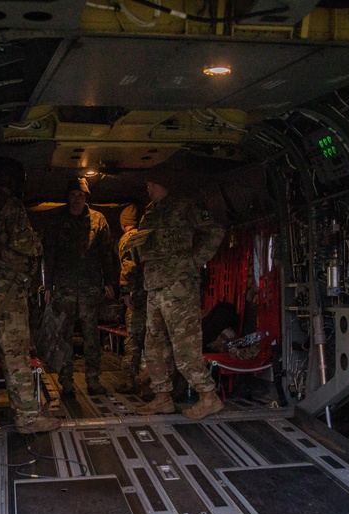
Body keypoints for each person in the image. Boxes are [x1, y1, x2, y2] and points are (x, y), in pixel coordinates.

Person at [0, 156, 59, 434]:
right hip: (5, 292)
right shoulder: (9, 206)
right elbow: (25, 244)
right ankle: (28, 417)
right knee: (14, 352)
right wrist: (37, 242)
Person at [135, 169, 225, 420]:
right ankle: (162, 397)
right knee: (153, 346)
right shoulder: (150, 212)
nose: (149, 188)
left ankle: (208, 395)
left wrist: (192, 260)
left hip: (178, 286)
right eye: (148, 184)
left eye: (154, 183)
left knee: (185, 346)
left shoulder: (185, 207)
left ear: (166, 183)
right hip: (154, 285)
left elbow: (215, 230)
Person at [43, 178, 117, 395]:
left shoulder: (98, 219)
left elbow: (107, 254)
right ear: (68, 197)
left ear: (86, 198)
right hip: (64, 287)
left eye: (81, 195)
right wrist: (48, 285)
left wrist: (109, 282)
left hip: (90, 287)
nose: (77, 199)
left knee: (91, 336)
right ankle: (66, 382)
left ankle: (93, 379)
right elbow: (49, 255)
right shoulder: (56, 220)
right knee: (63, 335)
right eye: (73, 195)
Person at [115, 204, 147, 395]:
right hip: (150, 294)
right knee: (151, 340)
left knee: (133, 340)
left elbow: (128, 266)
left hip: (136, 296)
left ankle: (129, 381)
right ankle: (148, 381)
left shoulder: (127, 239)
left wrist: (125, 291)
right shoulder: (145, 236)